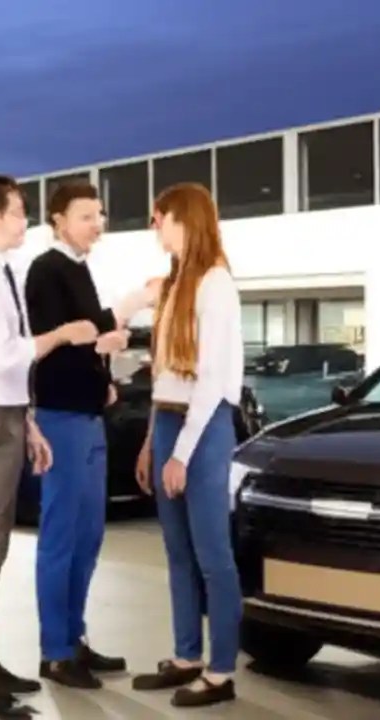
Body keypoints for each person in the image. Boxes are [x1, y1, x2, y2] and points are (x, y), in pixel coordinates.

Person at [0, 174, 101, 718]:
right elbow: (3, 356)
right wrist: (63, 335)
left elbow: (7, 370)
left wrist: (28, 422)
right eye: (18, 212)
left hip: (5, 417)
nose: (24, 221)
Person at [23, 180, 156, 689]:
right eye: (85, 216)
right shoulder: (47, 269)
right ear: (58, 219)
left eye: (100, 214)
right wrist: (125, 309)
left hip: (88, 414)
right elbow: (58, 337)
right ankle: (55, 650)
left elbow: (85, 341)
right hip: (61, 417)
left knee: (88, 535)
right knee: (61, 535)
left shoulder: (78, 269)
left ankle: (73, 638)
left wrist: (104, 364)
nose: (96, 224)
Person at [130, 182, 244, 708]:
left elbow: (213, 378)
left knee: (212, 554)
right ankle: (185, 657)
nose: (155, 224)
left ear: (186, 219)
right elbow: (164, 376)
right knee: (177, 552)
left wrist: (181, 453)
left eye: (162, 215)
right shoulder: (176, 282)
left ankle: (221, 672)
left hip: (205, 424)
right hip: (171, 421)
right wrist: (154, 442)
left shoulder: (214, 283)